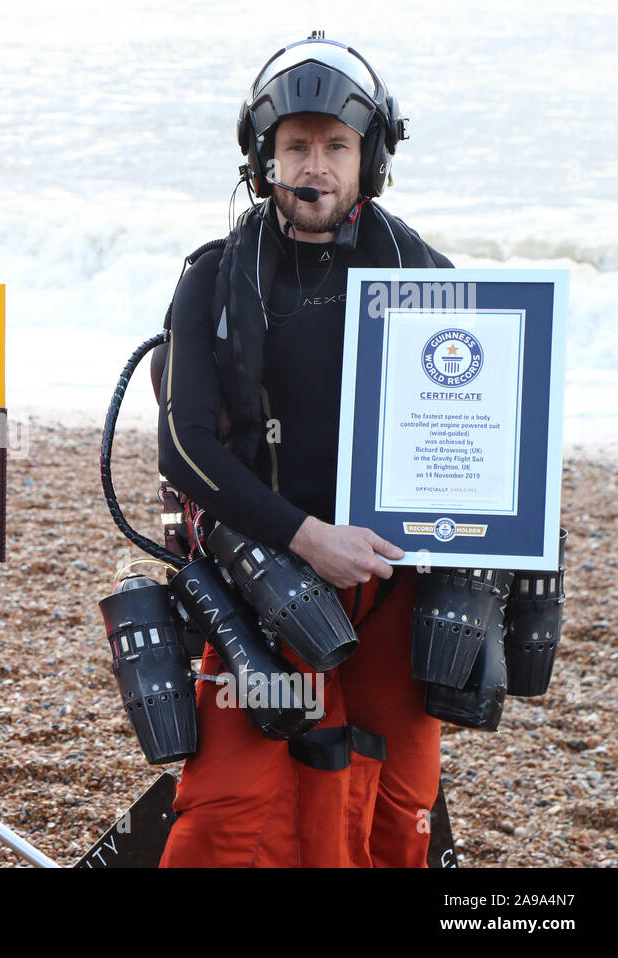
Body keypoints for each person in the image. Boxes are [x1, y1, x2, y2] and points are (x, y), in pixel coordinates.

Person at [156, 33, 454, 867]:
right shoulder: (212, 278)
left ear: (371, 159)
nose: (314, 165)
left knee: (395, 808)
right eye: (295, 146)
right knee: (228, 811)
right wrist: (303, 538)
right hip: (264, 579)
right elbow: (181, 446)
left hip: (395, 582)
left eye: (335, 145)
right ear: (263, 158)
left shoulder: (433, 278)